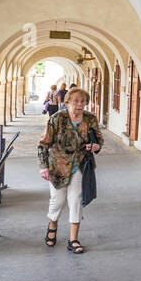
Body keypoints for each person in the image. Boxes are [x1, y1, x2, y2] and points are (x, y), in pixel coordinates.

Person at [37, 87, 102, 253]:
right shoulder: (57, 118)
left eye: (83, 101)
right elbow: (43, 143)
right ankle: (52, 225)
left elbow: (99, 140)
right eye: (76, 101)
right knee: (58, 200)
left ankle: (73, 240)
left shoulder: (90, 119)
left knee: (75, 201)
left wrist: (95, 146)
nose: (79, 104)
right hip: (57, 165)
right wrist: (43, 166)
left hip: (80, 165)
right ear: (67, 102)